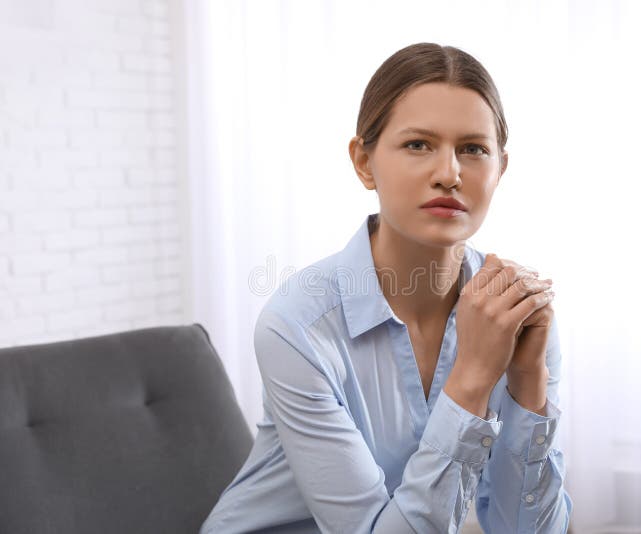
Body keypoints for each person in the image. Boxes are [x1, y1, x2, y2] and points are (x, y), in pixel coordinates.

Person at [200, 42, 572, 534]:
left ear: (500, 168)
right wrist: (474, 376)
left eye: (473, 149)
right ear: (364, 162)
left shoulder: (514, 312)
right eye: (418, 144)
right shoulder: (297, 327)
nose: (449, 174)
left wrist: (527, 385)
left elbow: (526, 529)